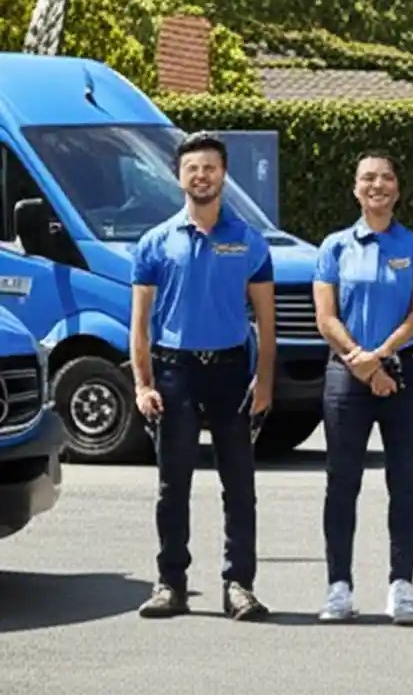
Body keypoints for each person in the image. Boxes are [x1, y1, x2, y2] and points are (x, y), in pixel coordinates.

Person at [130, 132, 275, 621]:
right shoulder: (155, 242)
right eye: (193, 168)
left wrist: (266, 380)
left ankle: (239, 585)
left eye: (210, 167)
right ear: (179, 176)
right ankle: (170, 582)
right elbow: (140, 322)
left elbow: (267, 321)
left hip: (232, 371)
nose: (202, 176)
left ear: (224, 175)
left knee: (239, 484)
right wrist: (142, 384)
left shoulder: (248, 241)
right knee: (174, 484)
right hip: (175, 372)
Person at [312, 151, 413, 624]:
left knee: (405, 482)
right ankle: (338, 586)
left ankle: (401, 585)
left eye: (385, 178)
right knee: (342, 482)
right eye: (368, 178)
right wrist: (360, 362)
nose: (377, 185)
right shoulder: (336, 246)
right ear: (355, 188)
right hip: (347, 372)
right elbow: (327, 316)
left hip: (401, 369)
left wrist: (379, 357)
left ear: (397, 189)